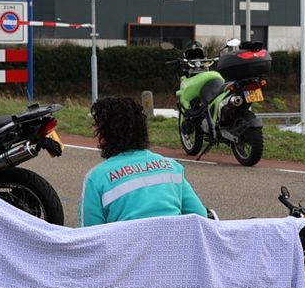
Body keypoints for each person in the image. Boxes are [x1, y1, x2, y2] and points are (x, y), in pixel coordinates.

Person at [79, 96, 208, 226]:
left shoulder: (96, 179)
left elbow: (88, 235)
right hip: (172, 244)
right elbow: (201, 217)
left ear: (104, 133)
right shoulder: (172, 168)